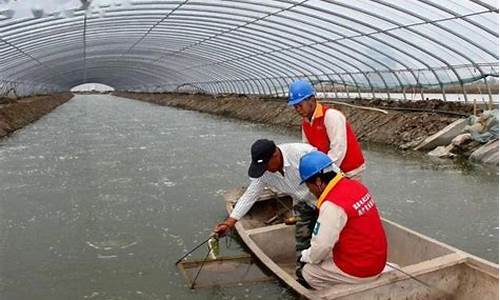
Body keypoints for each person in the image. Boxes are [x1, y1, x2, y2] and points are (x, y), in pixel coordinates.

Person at [213, 139, 325, 265]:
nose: (264, 170)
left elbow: (335, 177)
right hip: (302, 202)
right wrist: (229, 223)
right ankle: (303, 270)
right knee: (302, 240)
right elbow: (250, 195)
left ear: (275, 155)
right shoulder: (264, 172)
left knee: (327, 238)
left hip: (326, 200)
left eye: (266, 165)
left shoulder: (303, 153)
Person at [297, 150, 387, 290]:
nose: (310, 191)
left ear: (319, 181)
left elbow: (321, 247)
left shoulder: (332, 205)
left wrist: (305, 256)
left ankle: (344, 292)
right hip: (378, 261)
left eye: (309, 186)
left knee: (308, 272)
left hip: (361, 270)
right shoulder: (355, 186)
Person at [288, 79, 365, 179]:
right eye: (295, 106)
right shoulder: (306, 123)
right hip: (330, 169)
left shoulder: (331, 116)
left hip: (350, 171)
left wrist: (323, 172)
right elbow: (307, 149)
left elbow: (338, 149)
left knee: (347, 194)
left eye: (300, 105)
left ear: (311, 100)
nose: (298, 110)